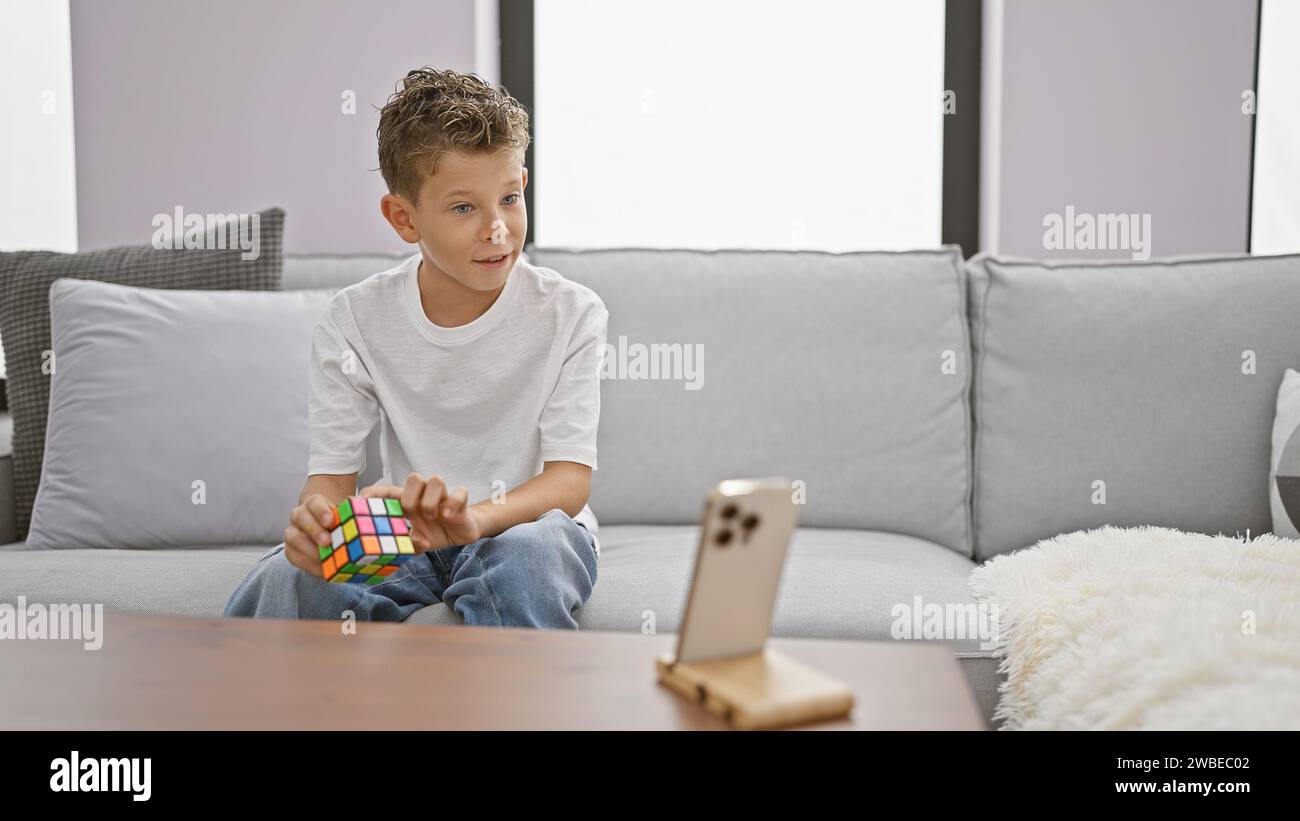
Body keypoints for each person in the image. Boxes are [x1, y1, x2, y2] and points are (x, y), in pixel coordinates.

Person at [224, 67, 607, 629]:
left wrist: (475, 520)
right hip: (405, 532)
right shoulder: (353, 319)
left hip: (528, 525)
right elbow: (330, 481)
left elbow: (569, 483)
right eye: (463, 208)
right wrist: (320, 527)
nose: (497, 228)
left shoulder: (572, 312)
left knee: (529, 559)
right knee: (290, 576)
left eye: (509, 198)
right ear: (404, 218)